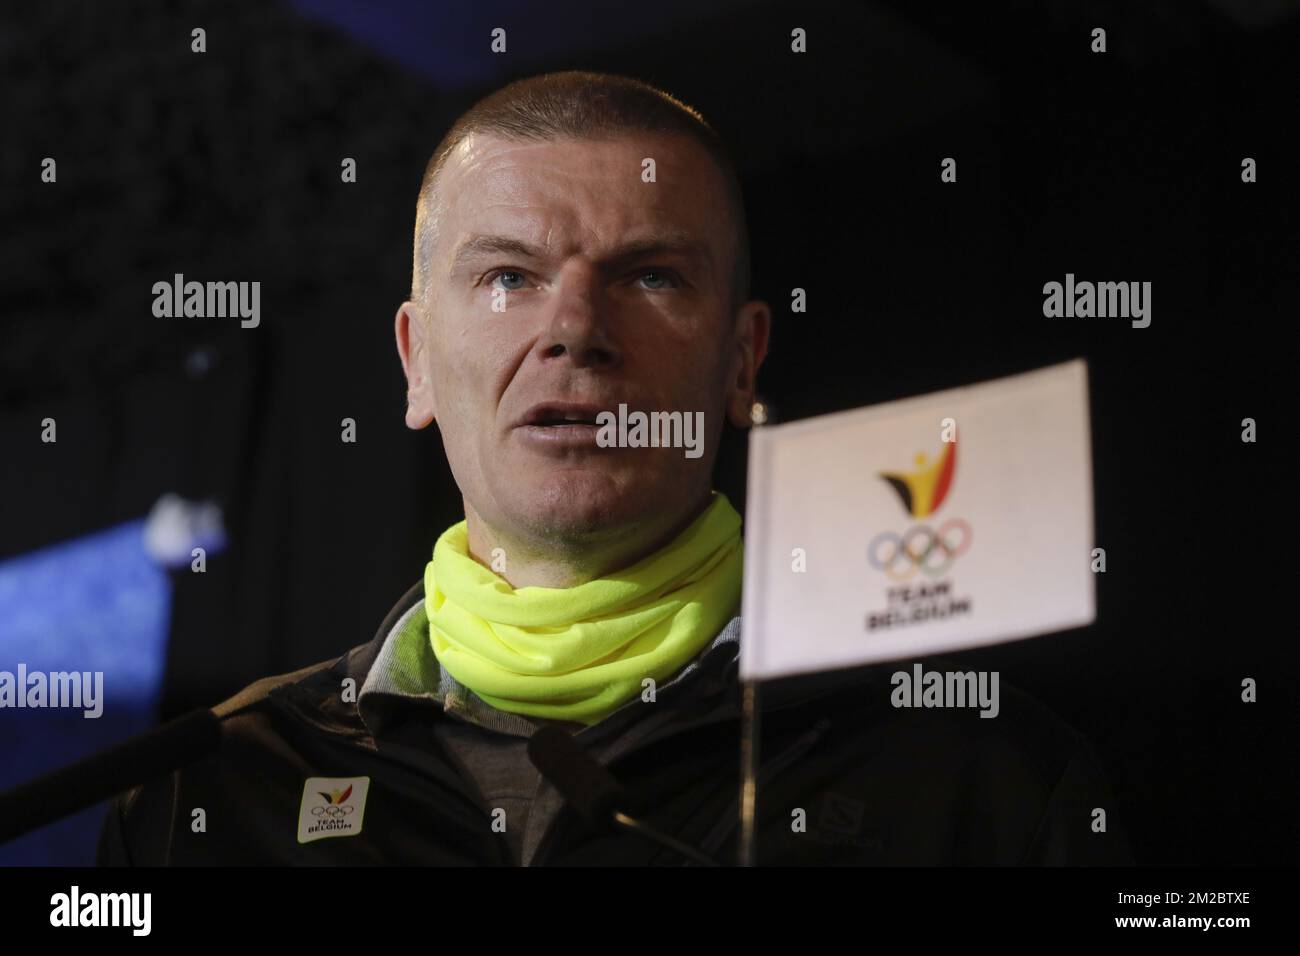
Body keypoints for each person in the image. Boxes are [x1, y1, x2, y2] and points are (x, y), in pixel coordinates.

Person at [97, 70, 1132, 866]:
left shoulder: (973, 772)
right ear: (415, 363)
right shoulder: (214, 786)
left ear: (741, 362)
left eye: (649, 275)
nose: (576, 330)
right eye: (509, 275)